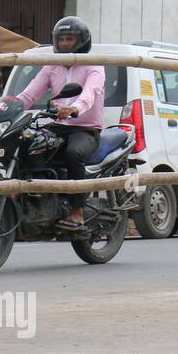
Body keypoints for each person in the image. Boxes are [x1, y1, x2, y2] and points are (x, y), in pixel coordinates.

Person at [15, 16, 106, 230]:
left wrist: (75, 108)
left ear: (82, 40)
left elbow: (90, 93)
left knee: (72, 154)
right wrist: (8, 107)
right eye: (62, 39)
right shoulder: (51, 66)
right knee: (26, 144)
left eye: (70, 39)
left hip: (85, 128)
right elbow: (29, 95)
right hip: (57, 126)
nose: (65, 43)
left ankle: (77, 211)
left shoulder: (94, 65)